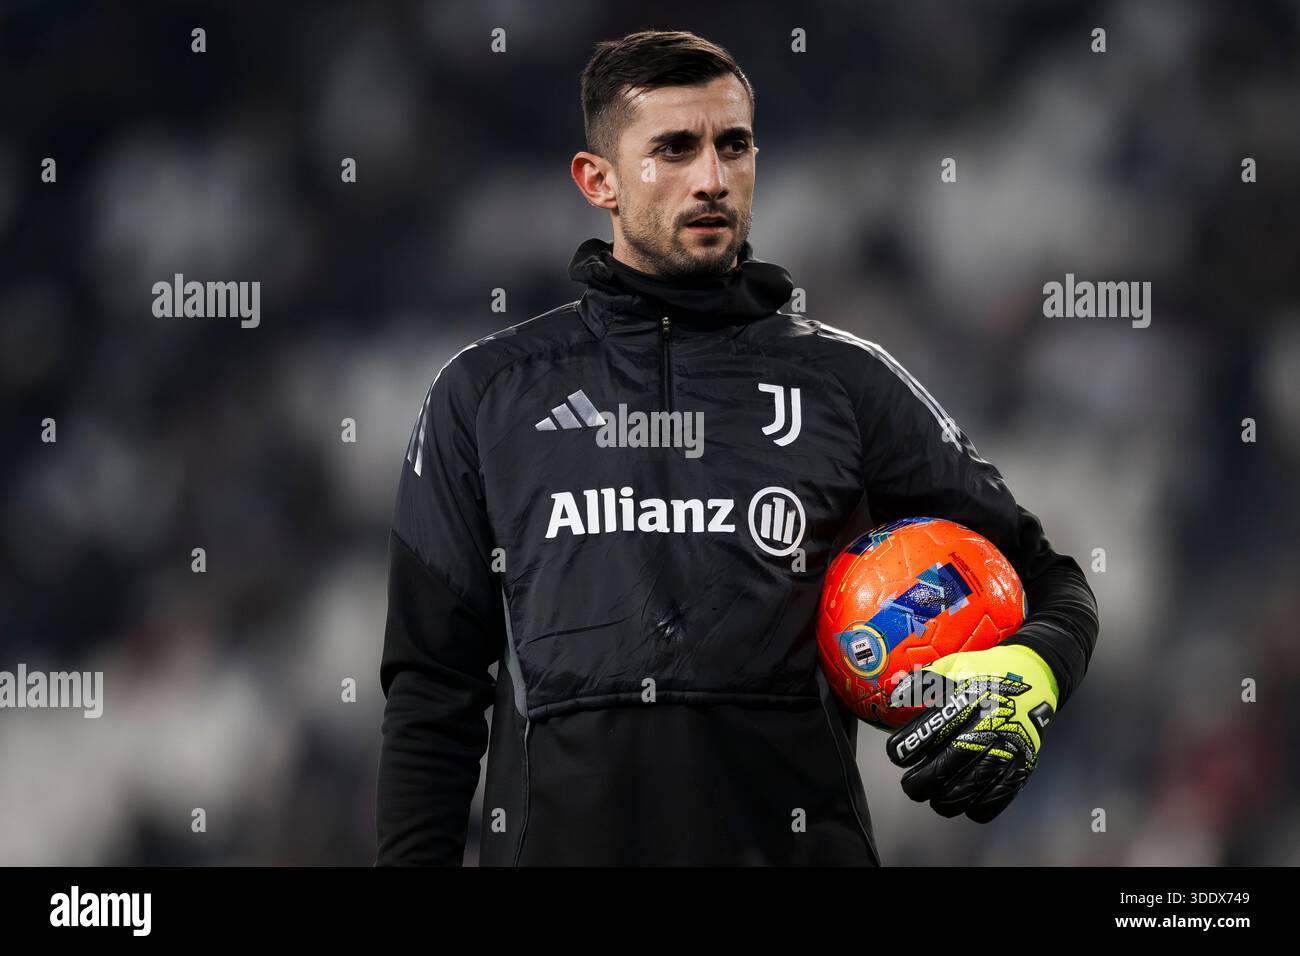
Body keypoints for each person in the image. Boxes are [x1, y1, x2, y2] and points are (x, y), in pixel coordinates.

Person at [376, 29, 1099, 866]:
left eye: (735, 145)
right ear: (597, 179)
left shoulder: (847, 384)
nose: (713, 178)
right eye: (675, 149)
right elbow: (434, 688)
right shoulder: (487, 394)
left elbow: (1053, 583)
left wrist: (1031, 674)